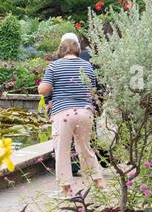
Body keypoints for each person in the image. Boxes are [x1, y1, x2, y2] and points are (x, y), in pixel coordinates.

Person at [38, 32, 104, 196]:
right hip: (85, 112)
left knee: (62, 150)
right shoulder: (87, 66)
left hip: (63, 113)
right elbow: (92, 89)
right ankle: (98, 181)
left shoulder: (54, 66)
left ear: (61, 48)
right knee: (85, 147)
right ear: (78, 48)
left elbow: (44, 90)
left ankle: (66, 188)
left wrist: (45, 86)